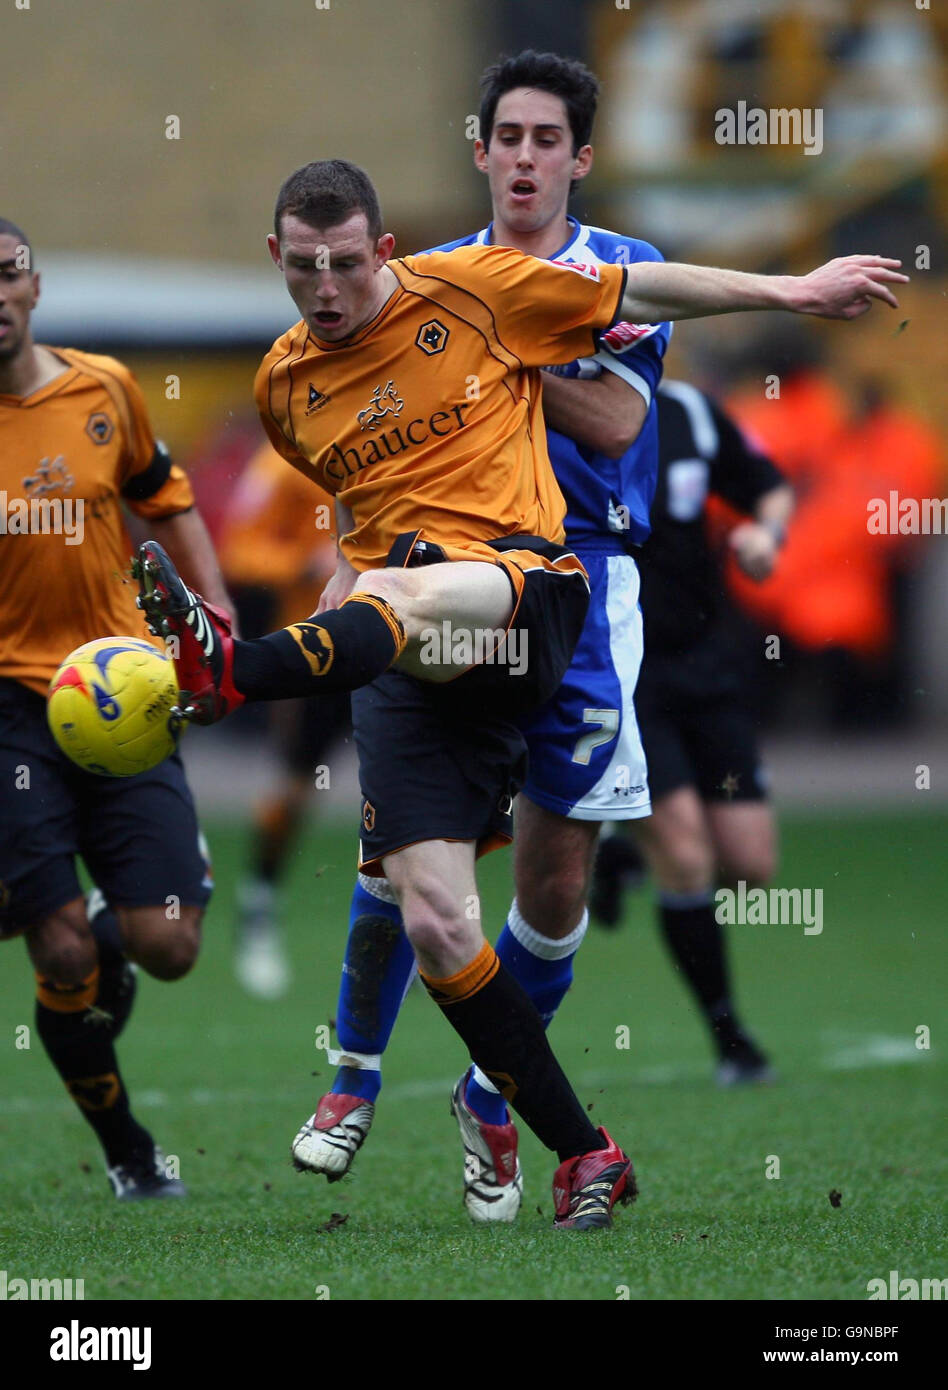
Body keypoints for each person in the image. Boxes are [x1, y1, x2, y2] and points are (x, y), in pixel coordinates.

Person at [134, 159, 904, 1230]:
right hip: (406, 650)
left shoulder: (479, 289)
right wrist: (345, 594)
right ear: (277, 259)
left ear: (384, 250)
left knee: (534, 842)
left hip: (522, 598)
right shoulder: (280, 389)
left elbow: (646, 288)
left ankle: (238, 669)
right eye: (304, 267)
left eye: (347, 264)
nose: (327, 287)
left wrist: (792, 290)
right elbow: (358, 518)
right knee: (441, 919)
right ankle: (584, 1149)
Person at [0, 218, 231, 1198]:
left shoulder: (105, 389)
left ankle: (106, 917)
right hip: (10, 707)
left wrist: (213, 612)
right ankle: (132, 1154)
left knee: (167, 944)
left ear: (35, 287)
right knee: (51, 942)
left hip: (121, 692)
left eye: (4, 274)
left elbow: (166, 498)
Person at [590, 378, 793, 1087]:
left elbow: (768, 485)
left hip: (707, 662)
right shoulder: (552, 401)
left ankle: (618, 848)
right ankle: (731, 1040)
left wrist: (766, 533)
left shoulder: (693, 413)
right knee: (687, 854)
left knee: (750, 864)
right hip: (619, 667)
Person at [216, 440, 350, 998]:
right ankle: (259, 907)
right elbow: (237, 547)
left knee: (413, 790)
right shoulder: (280, 464)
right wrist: (304, 562)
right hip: (320, 648)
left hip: (404, 638)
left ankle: (411, 939)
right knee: (297, 788)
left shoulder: (400, 435)